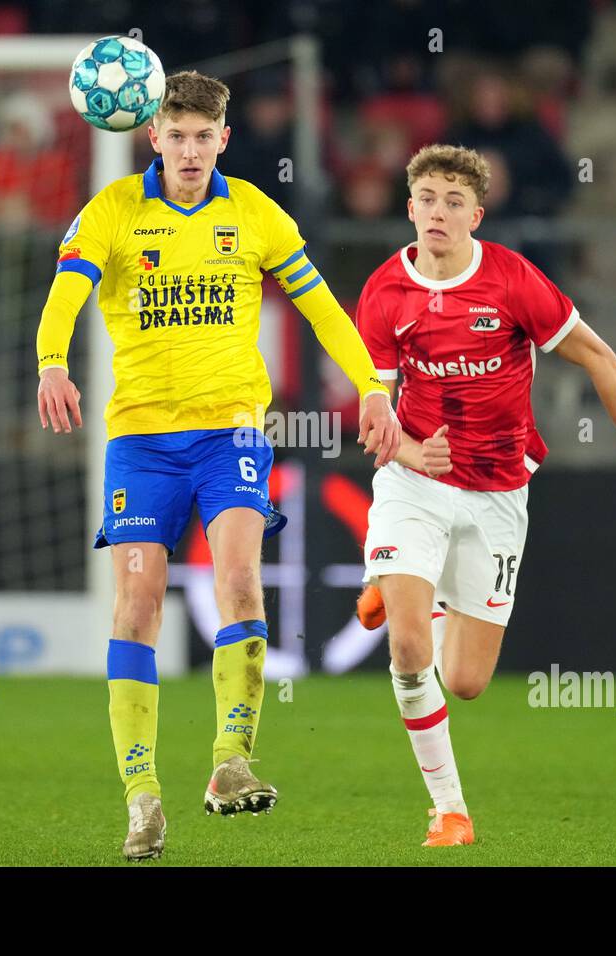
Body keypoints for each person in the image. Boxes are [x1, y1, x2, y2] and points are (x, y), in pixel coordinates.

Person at [35, 71, 401, 861]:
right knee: (136, 607)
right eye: (178, 135)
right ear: (152, 136)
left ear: (224, 139)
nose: (192, 150)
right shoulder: (113, 212)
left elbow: (322, 308)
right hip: (139, 442)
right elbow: (68, 291)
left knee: (237, 582)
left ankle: (230, 762)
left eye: (206, 136)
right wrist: (51, 362)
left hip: (231, 435)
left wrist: (373, 385)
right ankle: (142, 800)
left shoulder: (255, 214)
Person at [353, 144, 616, 847]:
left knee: (468, 682)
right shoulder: (384, 293)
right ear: (410, 207)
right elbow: (370, 414)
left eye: (455, 202)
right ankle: (449, 810)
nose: (439, 212)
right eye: (427, 198)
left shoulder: (511, 280)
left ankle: (403, 583)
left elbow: (598, 355)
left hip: (498, 493)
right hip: (414, 481)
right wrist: (413, 450)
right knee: (410, 645)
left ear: (477, 215)